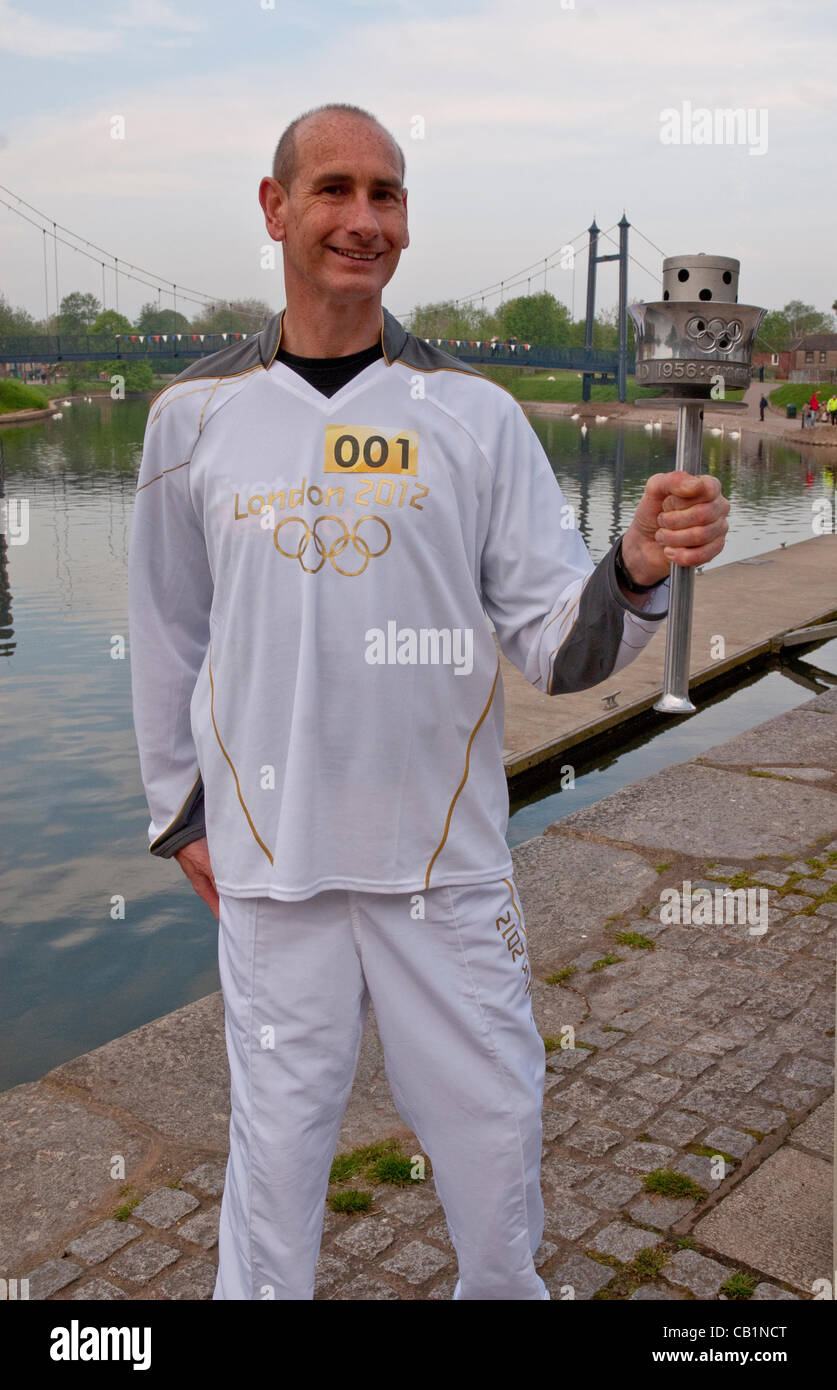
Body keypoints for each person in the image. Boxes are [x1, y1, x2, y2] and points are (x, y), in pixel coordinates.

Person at [127, 103, 731, 1302]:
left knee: (494, 1135)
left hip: (440, 862)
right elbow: (164, 635)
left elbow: (554, 645)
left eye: (386, 195)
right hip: (270, 866)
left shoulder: (474, 415)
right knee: (275, 1159)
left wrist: (637, 568)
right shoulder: (189, 419)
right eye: (335, 190)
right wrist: (182, 814)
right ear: (275, 207)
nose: (363, 220)